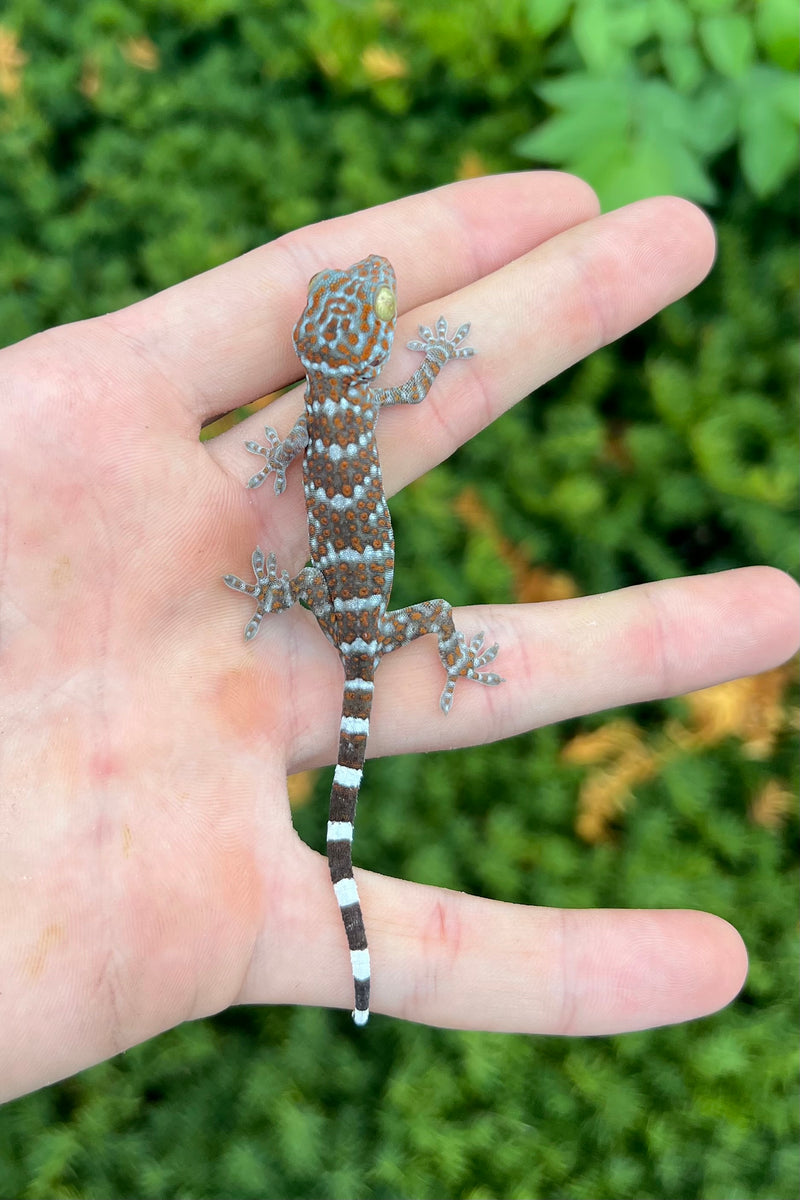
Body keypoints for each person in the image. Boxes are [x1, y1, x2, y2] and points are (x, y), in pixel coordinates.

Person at [1, 172, 797, 1103]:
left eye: (370, 294)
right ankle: (400, 733)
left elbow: (300, 450)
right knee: (417, 632)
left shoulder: (319, 412)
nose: (380, 284)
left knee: (404, 632)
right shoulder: (361, 397)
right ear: (362, 340)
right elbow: (413, 386)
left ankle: (372, 755)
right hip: (353, 608)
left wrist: (275, 569)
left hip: (342, 607)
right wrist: (433, 362)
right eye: (370, 299)